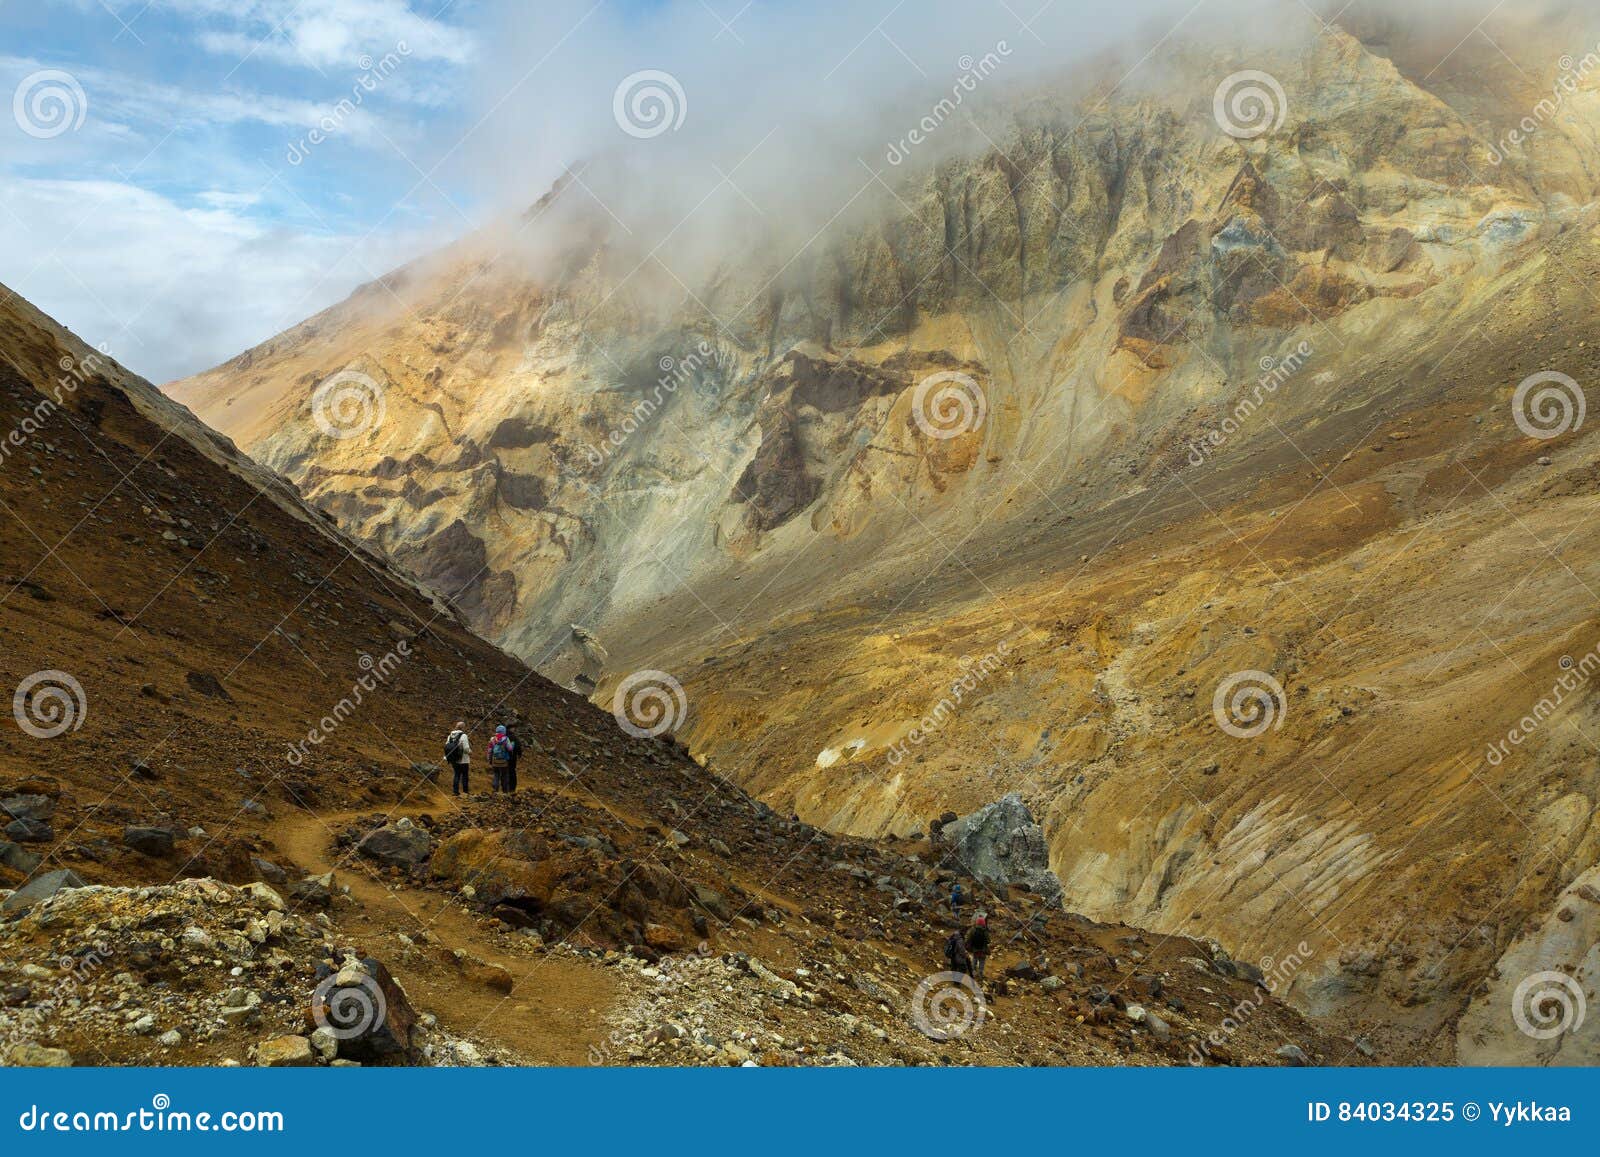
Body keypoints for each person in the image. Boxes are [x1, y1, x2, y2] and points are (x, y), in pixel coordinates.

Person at [445, 721, 470, 796]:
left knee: (456, 774)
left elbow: (447, 745)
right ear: (463, 727)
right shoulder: (463, 735)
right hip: (463, 760)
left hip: (454, 759)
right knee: (465, 775)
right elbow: (466, 748)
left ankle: (455, 791)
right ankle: (465, 792)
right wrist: (470, 752)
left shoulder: (450, 736)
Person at [487, 724, 513, 792]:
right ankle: (505, 790)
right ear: (504, 731)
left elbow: (489, 750)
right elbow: (510, 749)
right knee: (504, 775)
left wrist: (489, 759)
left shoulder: (492, 739)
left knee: (496, 774)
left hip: (495, 760)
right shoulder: (506, 739)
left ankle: (495, 790)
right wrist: (512, 745)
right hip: (504, 761)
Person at [966, 914, 991, 980]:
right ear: (983, 923)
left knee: (974, 960)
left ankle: (973, 972)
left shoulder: (972, 930)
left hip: (975, 949)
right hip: (983, 950)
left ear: (977, 922)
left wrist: (969, 946)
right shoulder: (985, 931)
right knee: (982, 962)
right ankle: (980, 974)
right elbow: (988, 941)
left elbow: (968, 939)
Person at [504, 725, 522, 793]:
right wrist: (519, 754)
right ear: (510, 729)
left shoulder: (504, 737)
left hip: (504, 757)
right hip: (512, 757)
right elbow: (518, 746)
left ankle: (506, 787)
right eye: (513, 728)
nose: (514, 729)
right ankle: (512, 787)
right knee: (512, 772)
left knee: (506, 772)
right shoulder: (514, 737)